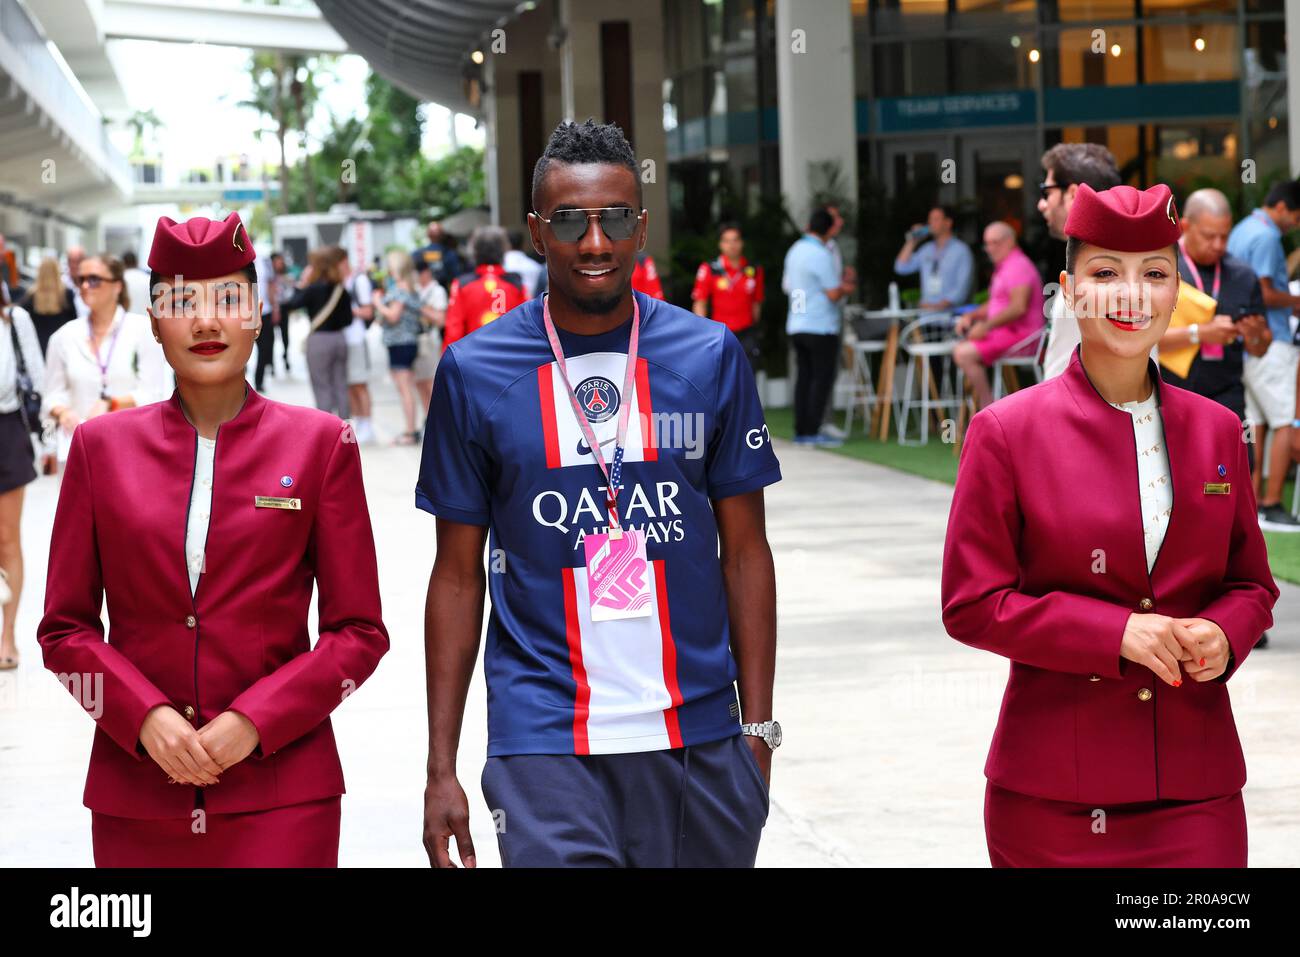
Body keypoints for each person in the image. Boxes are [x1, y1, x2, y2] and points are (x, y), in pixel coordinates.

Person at [419, 118, 781, 868]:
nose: (594, 242)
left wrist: (759, 729)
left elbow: (745, 551)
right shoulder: (475, 371)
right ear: (534, 231)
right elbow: (456, 574)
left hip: (698, 736)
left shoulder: (708, 356)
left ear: (640, 227)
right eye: (570, 221)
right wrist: (439, 765)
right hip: (544, 735)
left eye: (615, 217)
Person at [37, 212, 389, 867]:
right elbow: (64, 629)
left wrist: (257, 719)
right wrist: (142, 716)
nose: (206, 321)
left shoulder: (319, 444)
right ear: (154, 318)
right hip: (137, 793)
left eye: (229, 299)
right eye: (181, 301)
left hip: (283, 794)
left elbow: (359, 632)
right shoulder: (99, 448)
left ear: (258, 313)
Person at [943, 183, 1279, 867]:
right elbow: (971, 603)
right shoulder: (1007, 432)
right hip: (1054, 800)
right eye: (1104, 273)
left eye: (1155, 273)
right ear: (1069, 288)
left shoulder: (1218, 428)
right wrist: (1114, 631)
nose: (1132, 294)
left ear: (1176, 291)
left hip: (1198, 791)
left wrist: (1224, 632)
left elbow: (1253, 584)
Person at [41, 254, 168, 469]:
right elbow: (51, 395)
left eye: (94, 279)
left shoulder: (142, 331)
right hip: (79, 451)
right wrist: (62, 412)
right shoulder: (64, 337)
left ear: (117, 286)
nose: (85, 286)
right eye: (80, 280)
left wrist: (112, 403)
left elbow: (155, 394)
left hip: (132, 451)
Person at [1160, 188, 1270, 422]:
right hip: (1169, 396)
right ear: (1185, 226)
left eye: (1225, 236)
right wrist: (1198, 333)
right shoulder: (1160, 269)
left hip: (1226, 398)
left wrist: (1255, 336)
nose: (1219, 245)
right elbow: (1142, 340)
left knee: (1236, 458)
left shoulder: (1243, 275)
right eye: (1209, 236)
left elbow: (1260, 348)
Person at [1227, 179, 1300, 531]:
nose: (1296, 224)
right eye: (1297, 216)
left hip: (1244, 339)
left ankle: (1252, 502)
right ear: (1283, 207)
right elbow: (1267, 293)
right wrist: (1297, 301)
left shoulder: (1242, 228)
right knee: (1285, 419)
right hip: (1270, 340)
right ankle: (1272, 503)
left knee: (1253, 420)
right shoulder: (1268, 236)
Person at [1038, 144, 1124, 379]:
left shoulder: (1093, 273)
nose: (1042, 204)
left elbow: (1062, 378)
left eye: (1047, 192)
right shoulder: (1124, 261)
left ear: (1074, 194)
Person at [952, 221, 1045, 410]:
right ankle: (988, 406)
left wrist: (986, 326)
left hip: (1023, 336)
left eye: (995, 242)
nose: (990, 248)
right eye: (987, 243)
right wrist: (973, 315)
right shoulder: (1005, 265)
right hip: (1008, 333)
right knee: (962, 347)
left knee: (963, 353)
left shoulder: (1017, 265)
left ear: (1010, 241)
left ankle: (987, 406)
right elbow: (997, 302)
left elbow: (1018, 307)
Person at [783, 207, 856, 446]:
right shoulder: (821, 254)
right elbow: (833, 293)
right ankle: (813, 431)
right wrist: (847, 286)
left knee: (804, 378)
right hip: (820, 325)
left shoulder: (794, 250)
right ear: (828, 230)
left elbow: (788, 286)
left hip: (796, 323)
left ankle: (801, 430)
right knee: (820, 379)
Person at [0, 300, 44, 670]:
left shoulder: (15, 318)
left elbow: (38, 378)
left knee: (6, 538)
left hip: (7, 429)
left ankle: (7, 634)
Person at [280, 247, 353, 419]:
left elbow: (290, 305)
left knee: (322, 387)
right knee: (341, 385)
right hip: (340, 339)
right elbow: (348, 320)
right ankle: (346, 430)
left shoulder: (313, 289)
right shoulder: (341, 289)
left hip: (319, 340)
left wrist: (301, 284)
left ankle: (327, 430)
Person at [692, 222, 765, 372]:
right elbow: (700, 303)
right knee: (721, 380)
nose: (732, 245)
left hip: (746, 334)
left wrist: (754, 329)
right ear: (720, 244)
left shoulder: (753, 269)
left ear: (742, 242)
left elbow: (757, 304)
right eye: (727, 241)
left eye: (736, 240)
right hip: (719, 335)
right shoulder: (710, 269)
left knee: (748, 379)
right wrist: (704, 332)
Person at [441, 226, 526, 349]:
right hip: (509, 357)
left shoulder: (462, 284)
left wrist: (447, 361)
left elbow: (454, 329)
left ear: (475, 252)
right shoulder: (516, 284)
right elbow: (526, 324)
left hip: (474, 357)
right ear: (503, 250)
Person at [374, 250, 425, 445]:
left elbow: (393, 316)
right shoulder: (408, 288)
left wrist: (378, 303)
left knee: (405, 389)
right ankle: (410, 429)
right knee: (405, 387)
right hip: (403, 343)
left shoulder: (400, 290)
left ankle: (410, 431)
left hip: (401, 343)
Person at [893, 204, 975, 312]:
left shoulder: (961, 251)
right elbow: (901, 267)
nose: (931, 223)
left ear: (948, 223)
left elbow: (962, 287)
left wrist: (938, 306)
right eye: (930, 219)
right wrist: (912, 242)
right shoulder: (926, 250)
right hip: (927, 317)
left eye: (936, 219)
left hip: (950, 317)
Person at [339, 248, 376, 444]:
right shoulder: (340, 281)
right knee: (349, 385)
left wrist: (347, 311)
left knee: (359, 383)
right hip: (344, 339)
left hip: (356, 337)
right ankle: (360, 421)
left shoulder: (359, 281)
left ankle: (368, 424)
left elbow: (368, 311)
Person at [17, 256, 78, 356]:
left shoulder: (31, 296)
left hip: (39, 346)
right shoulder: (67, 294)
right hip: (63, 346)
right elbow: (74, 321)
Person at [413, 261, 447, 406]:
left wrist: (421, 308)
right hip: (415, 339)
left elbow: (441, 319)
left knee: (431, 381)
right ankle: (427, 417)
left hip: (431, 339)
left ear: (426, 272)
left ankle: (435, 417)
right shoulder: (414, 290)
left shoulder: (437, 290)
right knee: (419, 381)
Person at [251, 248, 279, 392]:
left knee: (265, 348)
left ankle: (259, 381)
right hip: (246, 313)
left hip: (265, 311)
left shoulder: (263, 261)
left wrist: (275, 307)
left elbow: (271, 284)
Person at [413, 221, 463, 291]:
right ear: (442, 235)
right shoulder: (450, 254)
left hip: (425, 293)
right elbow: (457, 277)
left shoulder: (418, 254)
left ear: (428, 235)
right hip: (446, 291)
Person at [503, 230, 545, 299]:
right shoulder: (536, 267)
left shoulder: (500, 266)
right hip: (529, 307)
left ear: (506, 244)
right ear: (523, 244)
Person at [271, 252, 293, 373]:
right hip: (272, 308)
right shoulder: (269, 277)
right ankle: (272, 362)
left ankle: (285, 356)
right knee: (271, 337)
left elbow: (289, 293)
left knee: (285, 335)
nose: (279, 264)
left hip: (283, 308)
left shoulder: (286, 276)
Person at [121, 252, 151, 321]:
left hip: (126, 323)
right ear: (136, 262)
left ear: (123, 263)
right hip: (147, 322)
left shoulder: (120, 281)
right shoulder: (148, 279)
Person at [63, 246, 90, 319]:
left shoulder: (94, 283)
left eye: (78, 261)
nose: (74, 265)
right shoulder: (61, 285)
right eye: (71, 261)